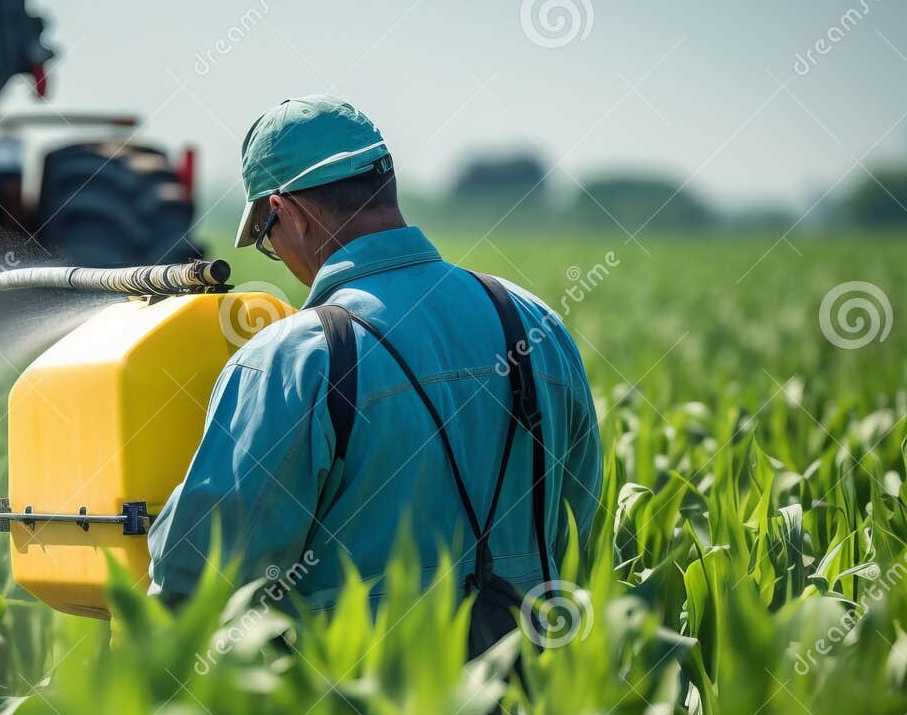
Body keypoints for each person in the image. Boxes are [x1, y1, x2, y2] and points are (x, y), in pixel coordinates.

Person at [147, 95, 602, 629]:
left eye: (268, 238)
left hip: (349, 704)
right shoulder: (534, 323)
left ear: (284, 212)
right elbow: (579, 526)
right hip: (537, 694)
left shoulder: (291, 360)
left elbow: (202, 576)